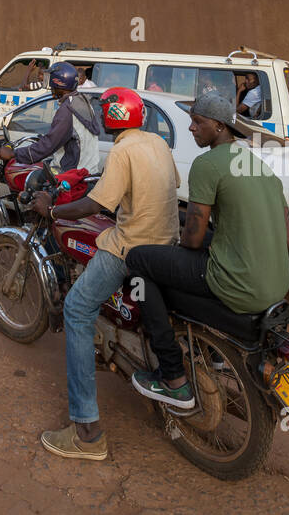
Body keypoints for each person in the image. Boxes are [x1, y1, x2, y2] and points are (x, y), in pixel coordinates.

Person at [126, 92, 289, 411]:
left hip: (237, 286)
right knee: (209, 242)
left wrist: (174, 234)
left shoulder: (207, 165)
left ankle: (173, 378)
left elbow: (191, 239)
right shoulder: (261, 169)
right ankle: (215, 356)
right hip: (276, 289)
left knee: (139, 260)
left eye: (197, 122)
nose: (191, 128)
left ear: (218, 127)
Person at [34, 87, 180, 461]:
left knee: (77, 309)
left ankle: (86, 431)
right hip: (167, 246)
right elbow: (166, 186)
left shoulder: (122, 150)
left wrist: (52, 211)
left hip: (132, 248)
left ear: (112, 117)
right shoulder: (157, 144)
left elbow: (96, 203)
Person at [0, 61, 100, 176]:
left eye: (50, 80)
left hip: (72, 175)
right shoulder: (82, 101)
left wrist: (14, 154)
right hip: (87, 170)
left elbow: (49, 145)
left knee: (31, 184)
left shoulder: (67, 109)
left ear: (59, 83)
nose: (50, 85)